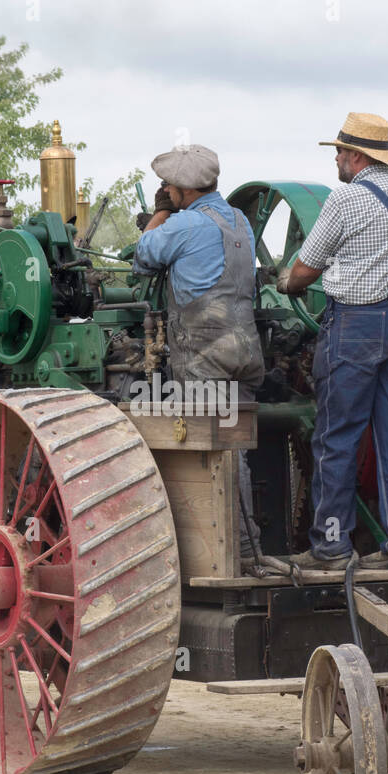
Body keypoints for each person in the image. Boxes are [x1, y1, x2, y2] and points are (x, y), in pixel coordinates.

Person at [278, 112, 388, 571]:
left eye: (338, 151)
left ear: (354, 157)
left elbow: (305, 270)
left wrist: (286, 284)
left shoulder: (346, 199)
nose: (335, 159)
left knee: (338, 436)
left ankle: (331, 548)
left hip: (356, 329)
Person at [133, 142, 267, 571]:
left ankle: (231, 553)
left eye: (167, 185)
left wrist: (158, 214)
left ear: (181, 190)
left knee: (214, 453)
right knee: (237, 447)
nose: (165, 188)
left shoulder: (184, 224)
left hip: (204, 357)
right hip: (244, 350)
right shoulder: (239, 220)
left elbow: (142, 257)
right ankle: (248, 546)